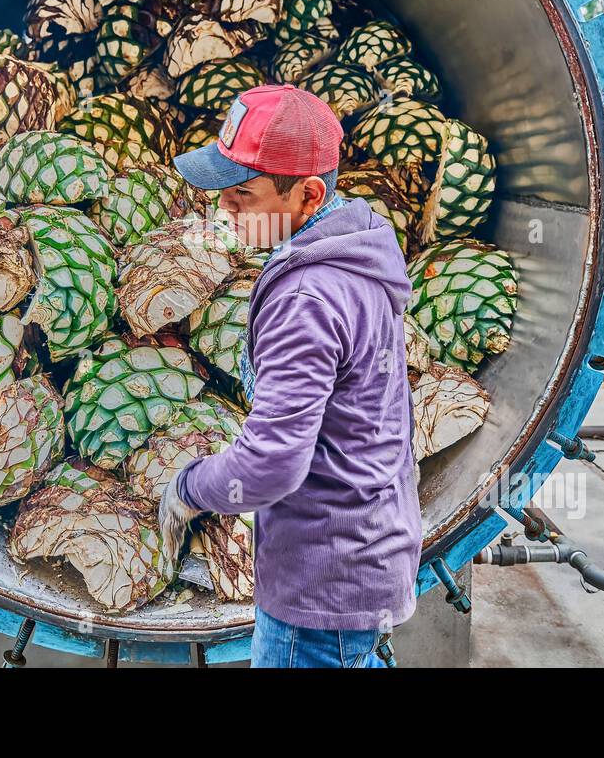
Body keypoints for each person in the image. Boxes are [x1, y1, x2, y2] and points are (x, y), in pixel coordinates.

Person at [158, 82, 422, 668]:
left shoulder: (307, 295)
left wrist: (187, 490)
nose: (223, 206)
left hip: (319, 594)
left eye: (243, 194)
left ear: (307, 195)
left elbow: (269, 466)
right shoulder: (358, 253)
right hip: (365, 558)